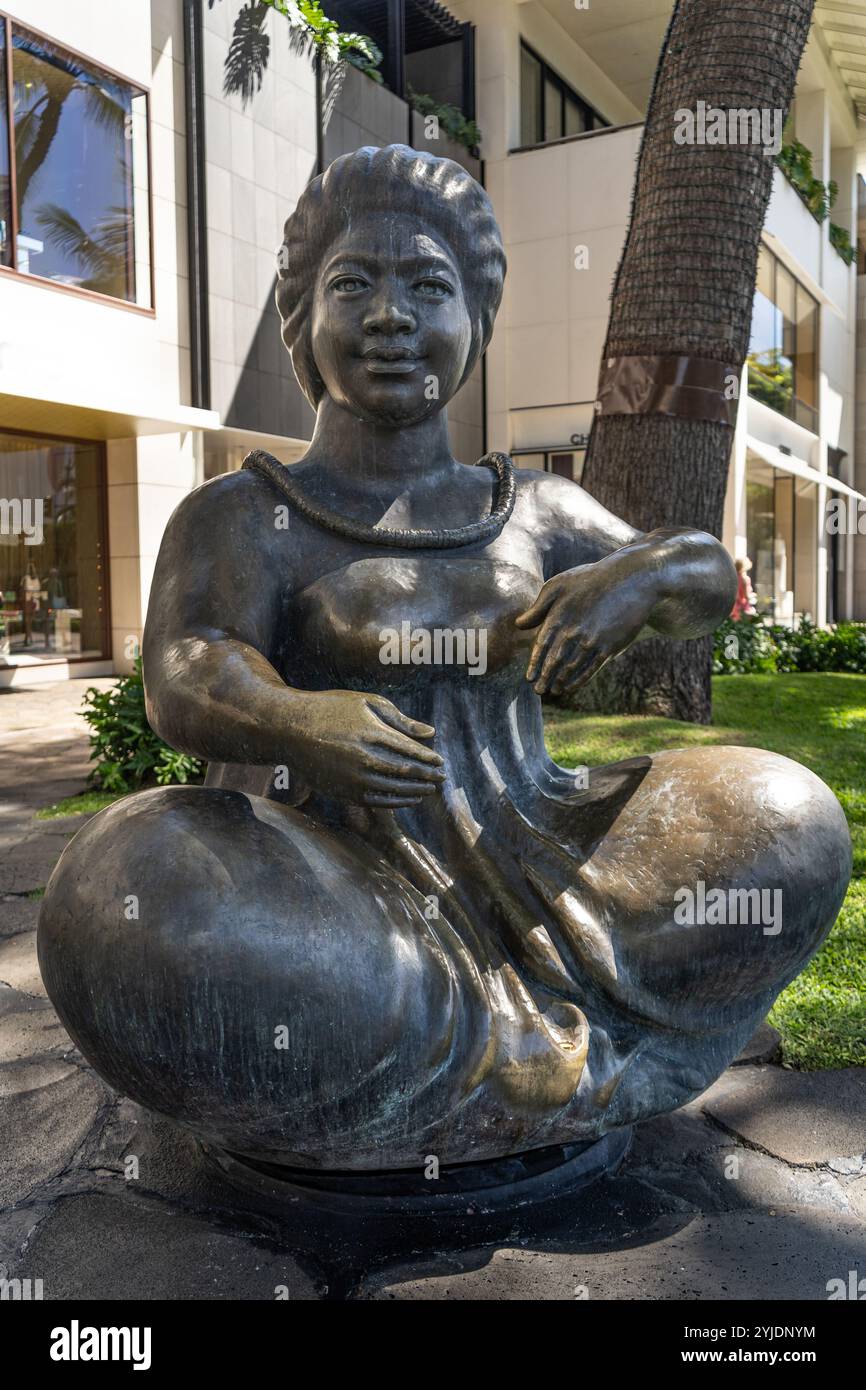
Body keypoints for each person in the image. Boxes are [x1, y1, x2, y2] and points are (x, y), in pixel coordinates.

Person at [39, 146, 851, 1174]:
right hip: (323, 899)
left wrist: (637, 578)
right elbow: (186, 668)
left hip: (541, 862)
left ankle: (472, 1077)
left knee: (788, 819)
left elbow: (700, 574)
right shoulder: (245, 516)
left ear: (473, 323)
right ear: (302, 317)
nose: (389, 316)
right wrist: (297, 721)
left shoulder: (533, 510)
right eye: (352, 284)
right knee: (129, 881)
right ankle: (558, 1064)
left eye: (428, 286)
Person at [731, 555, 757, 620]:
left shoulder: (733, 578)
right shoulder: (745, 579)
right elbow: (746, 596)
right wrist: (754, 595)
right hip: (743, 607)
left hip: (734, 606)